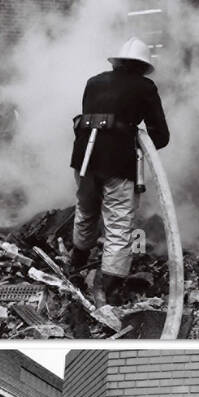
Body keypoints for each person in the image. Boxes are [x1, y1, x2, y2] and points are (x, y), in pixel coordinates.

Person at [69, 37, 170, 306]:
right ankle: (111, 290)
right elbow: (161, 135)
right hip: (118, 163)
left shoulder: (93, 82)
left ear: (116, 62)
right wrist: (138, 139)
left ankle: (75, 265)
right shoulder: (145, 87)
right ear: (142, 66)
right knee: (118, 222)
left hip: (83, 158)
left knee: (86, 209)